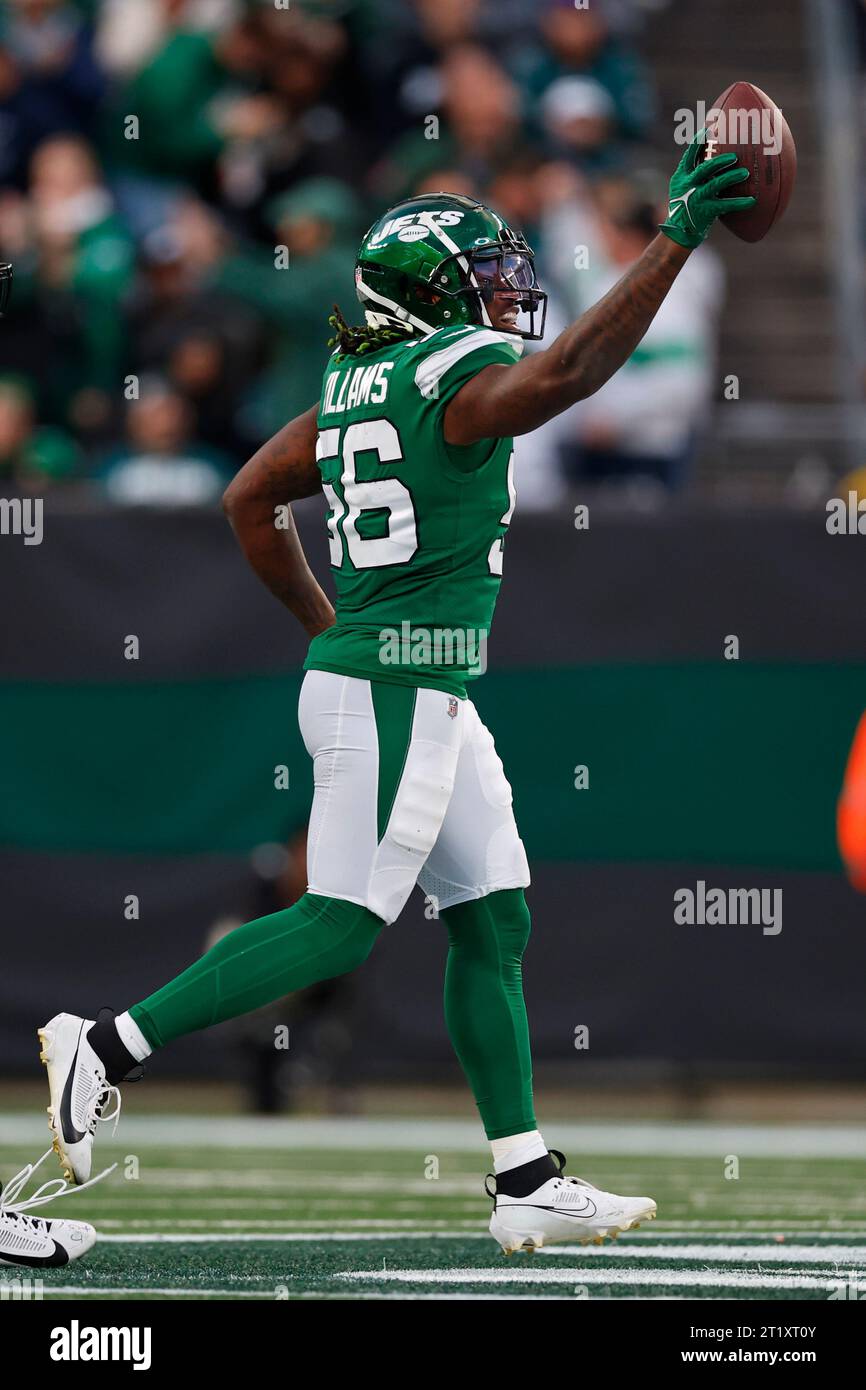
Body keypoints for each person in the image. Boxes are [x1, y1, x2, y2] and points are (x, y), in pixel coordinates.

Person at [32, 130, 755, 1259]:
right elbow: (565, 376)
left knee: (492, 915)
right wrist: (673, 241)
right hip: (395, 684)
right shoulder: (444, 374)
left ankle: (524, 1176)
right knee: (338, 924)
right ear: (430, 295)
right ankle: (105, 1044)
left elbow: (248, 496)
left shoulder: (355, 379)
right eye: (482, 278)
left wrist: (326, 625)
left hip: (410, 680)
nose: (504, 294)